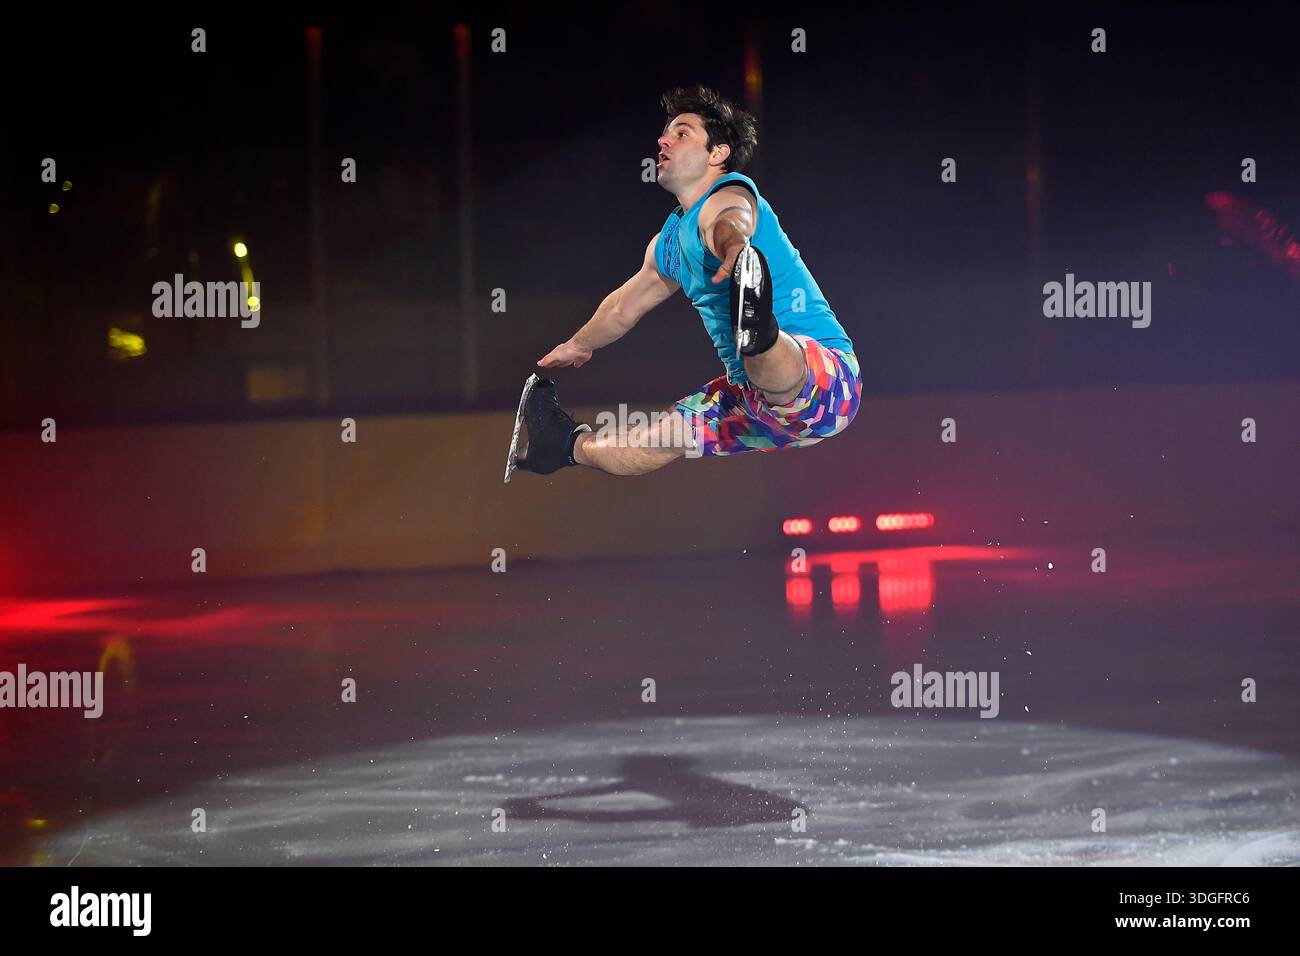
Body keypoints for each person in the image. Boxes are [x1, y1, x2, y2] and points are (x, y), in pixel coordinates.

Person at [513, 84, 860, 478]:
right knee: (661, 438)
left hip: (829, 382)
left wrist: (735, 250)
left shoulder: (730, 193)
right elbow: (623, 307)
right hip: (758, 405)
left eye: (682, 133)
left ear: (718, 153)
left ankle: (761, 335)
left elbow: (730, 220)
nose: (663, 139)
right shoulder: (668, 243)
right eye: (665, 133)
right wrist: (577, 344)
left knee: (766, 362)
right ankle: (563, 445)